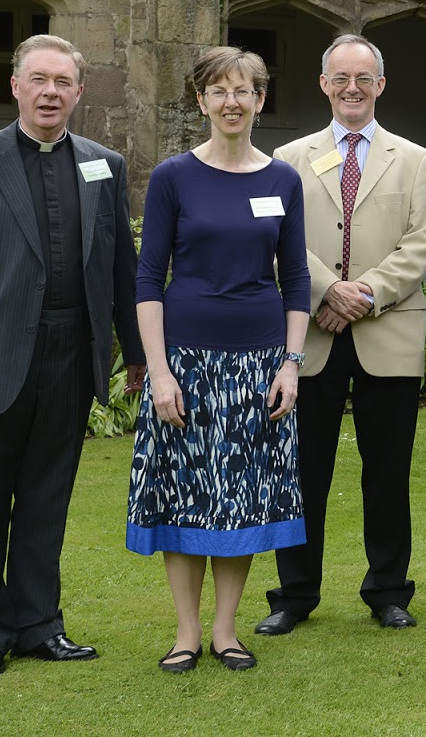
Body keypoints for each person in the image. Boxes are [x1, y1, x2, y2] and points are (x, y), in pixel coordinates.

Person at [0, 35, 147, 678]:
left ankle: (40, 624)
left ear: (79, 91)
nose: (50, 92)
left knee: (49, 499)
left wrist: (134, 352)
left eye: (63, 82)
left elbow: (120, 268)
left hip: (73, 354)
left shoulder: (105, 164)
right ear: (15, 86)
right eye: (38, 80)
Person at [128, 46, 311, 674]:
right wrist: (158, 371)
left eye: (244, 91)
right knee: (185, 497)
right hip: (187, 363)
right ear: (201, 101)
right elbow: (149, 277)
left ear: (261, 100)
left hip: (258, 364)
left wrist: (290, 364)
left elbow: (296, 281)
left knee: (241, 499)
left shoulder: (282, 179)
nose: (231, 102)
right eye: (218, 91)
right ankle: (185, 633)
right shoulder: (173, 177)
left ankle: (227, 631)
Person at [255, 35, 426, 636]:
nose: (352, 88)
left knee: (386, 471)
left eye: (364, 78)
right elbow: (280, 240)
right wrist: (327, 290)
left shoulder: (415, 160)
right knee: (302, 470)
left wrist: (361, 295)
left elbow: (421, 244)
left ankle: (388, 591)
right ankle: (294, 594)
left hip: (387, 334)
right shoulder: (286, 157)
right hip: (309, 338)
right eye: (341, 78)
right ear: (323, 84)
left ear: (380, 86)